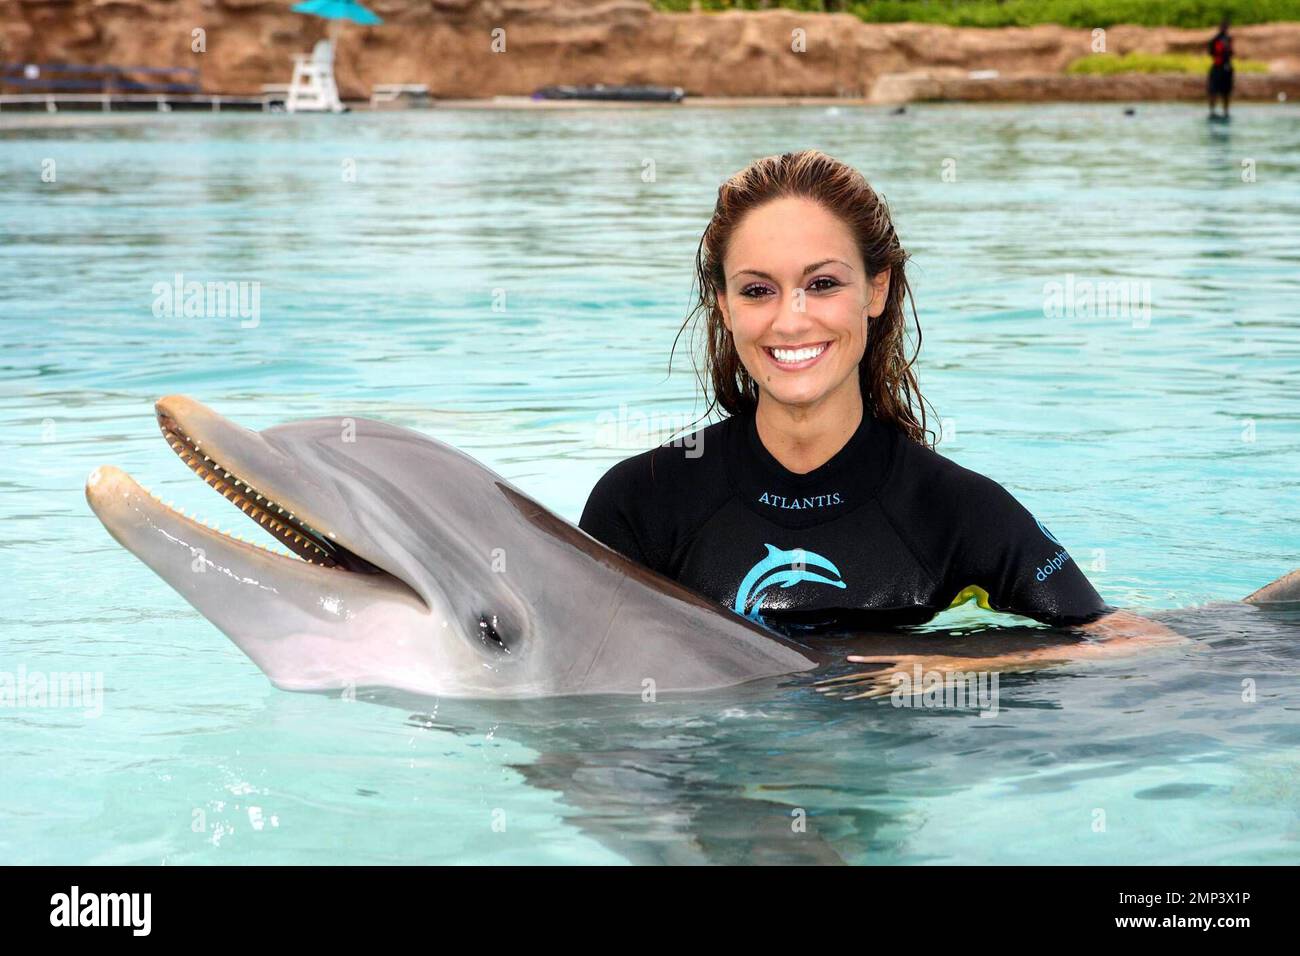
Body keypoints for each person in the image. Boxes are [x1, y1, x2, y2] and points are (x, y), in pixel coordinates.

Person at [579, 150, 1179, 677]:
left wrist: (962, 665)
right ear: (725, 305)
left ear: (876, 290)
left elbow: (1142, 647)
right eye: (758, 290)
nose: (790, 320)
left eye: (822, 284)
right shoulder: (643, 503)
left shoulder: (955, 513)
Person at [1207, 16, 1234, 120]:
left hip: (1226, 68)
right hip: (1218, 68)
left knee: (1225, 92)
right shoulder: (1215, 40)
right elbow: (1211, 53)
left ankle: (1225, 112)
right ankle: (1212, 111)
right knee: (1213, 91)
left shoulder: (1229, 39)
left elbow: (1231, 53)